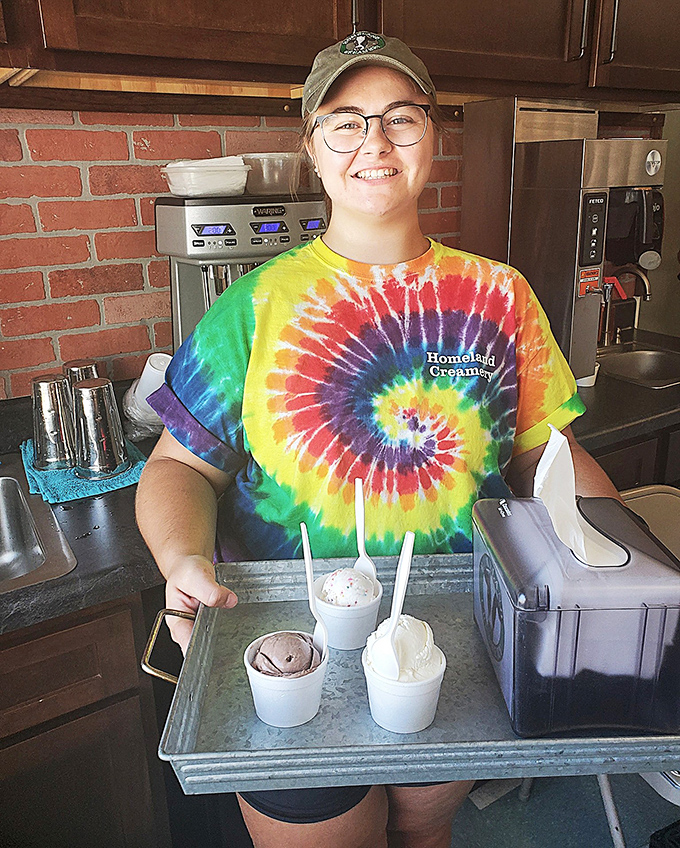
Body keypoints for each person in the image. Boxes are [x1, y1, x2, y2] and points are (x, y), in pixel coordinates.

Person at [136, 31, 623, 848]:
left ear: (434, 135)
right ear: (313, 148)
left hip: (453, 640)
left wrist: (633, 570)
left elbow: (548, 458)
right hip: (289, 647)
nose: (375, 142)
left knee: (426, 835)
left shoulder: (496, 297)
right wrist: (183, 560)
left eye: (401, 117)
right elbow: (181, 467)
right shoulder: (254, 308)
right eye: (346, 120)